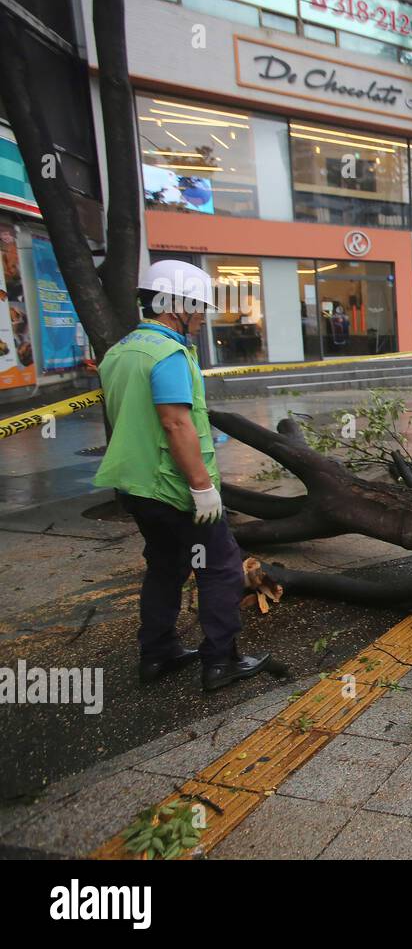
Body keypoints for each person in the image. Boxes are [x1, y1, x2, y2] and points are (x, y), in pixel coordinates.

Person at [94, 260, 281, 690]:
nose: (201, 318)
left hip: (137, 487)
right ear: (174, 305)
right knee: (219, 567)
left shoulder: (120, 353)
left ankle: (157, 654)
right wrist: (202, 488)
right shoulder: (170, 355)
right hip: (175, 488)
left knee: (165, 566)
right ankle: (221, 662)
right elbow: (175, 424)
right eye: (197, 308)